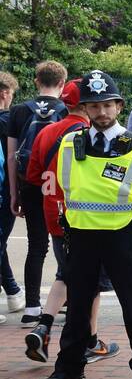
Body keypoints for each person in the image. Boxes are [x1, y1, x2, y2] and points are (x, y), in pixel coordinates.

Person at [33, 71, 132, 379]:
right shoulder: (70, 144)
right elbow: (67, 189)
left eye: (107, 105)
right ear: (85, 108)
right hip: (81, 235)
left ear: (118, 105)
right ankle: (70, 368)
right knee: (76, 306)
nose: (101, 112)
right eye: (93, 106)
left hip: (124, 235)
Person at [22, 78, 116, 368]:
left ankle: (44, 325)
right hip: (81, 214)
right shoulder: (86, 134)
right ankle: (90, 339)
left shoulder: (47, 131)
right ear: (86, 105)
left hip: (53, 211)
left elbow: (33, 175)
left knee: (67, 272)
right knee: (90, 281)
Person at [8, 60, 68, 325]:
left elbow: (11, 157)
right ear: (63, 83)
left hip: (31, 185)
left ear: (36, 81)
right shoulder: (67, 110)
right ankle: (67, 298)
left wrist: (14, 193)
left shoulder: (20, 111)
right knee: (66, 244)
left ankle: (32, 306)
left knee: (36, 246)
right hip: (62, 187)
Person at [0, 71, 23, 314]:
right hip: (4, 190)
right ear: (5, 93)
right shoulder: (8, 120)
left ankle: (13, 291)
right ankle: (13, 293)